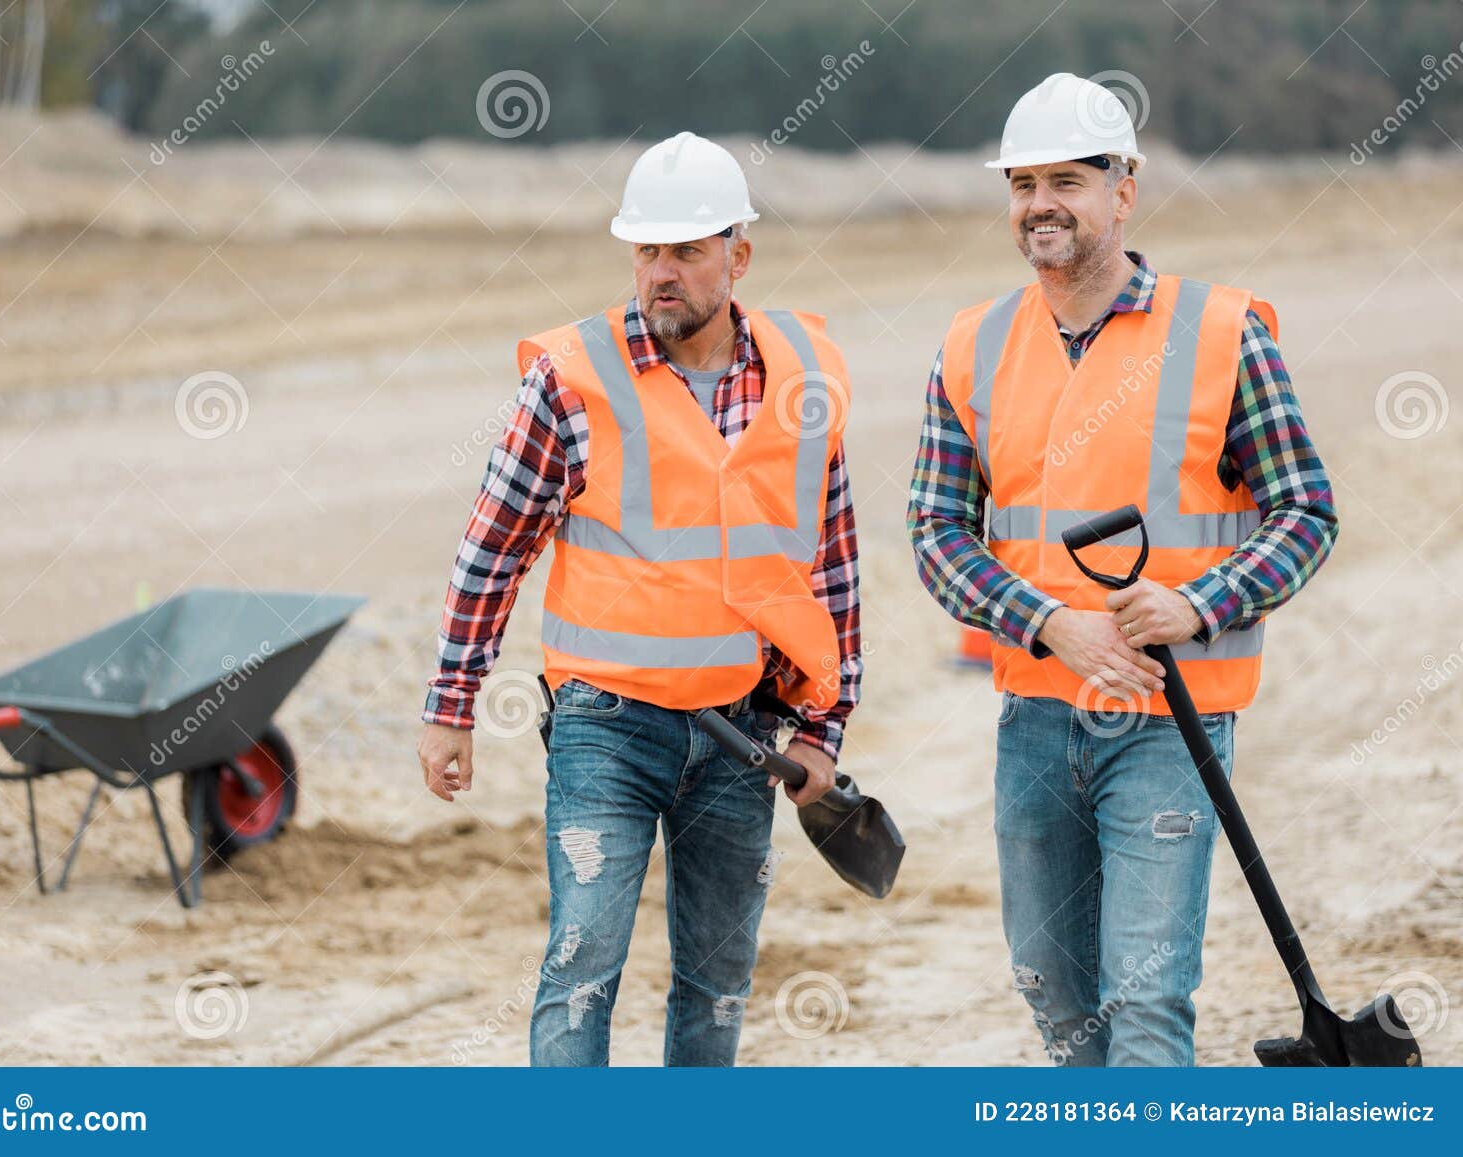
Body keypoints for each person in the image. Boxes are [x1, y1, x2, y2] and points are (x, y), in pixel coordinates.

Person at [907, 74, 1338, 1065]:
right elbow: (936, 530)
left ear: (1124, 189)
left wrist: (1196, 602)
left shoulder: (1223, 334)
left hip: (1167, 724)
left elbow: (1306, 507)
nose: (1038, 204)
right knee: (1060, 1002)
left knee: (1145, 1002)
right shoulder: (973, 345)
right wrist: (1050, 623)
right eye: (1021, 183)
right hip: (1033, 717)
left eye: (1065, 178)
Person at [418, 131, 862, 1066]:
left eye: (687, 250)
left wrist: (825, 723)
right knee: (580, 970)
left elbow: (831, 565)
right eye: (647, 249)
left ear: (737, 257)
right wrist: (450, 707)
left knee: (717, 985)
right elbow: (491, 552)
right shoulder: (571, 380)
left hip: (745, 731)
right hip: (606, 729)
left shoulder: (801, 378)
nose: (662, 272)